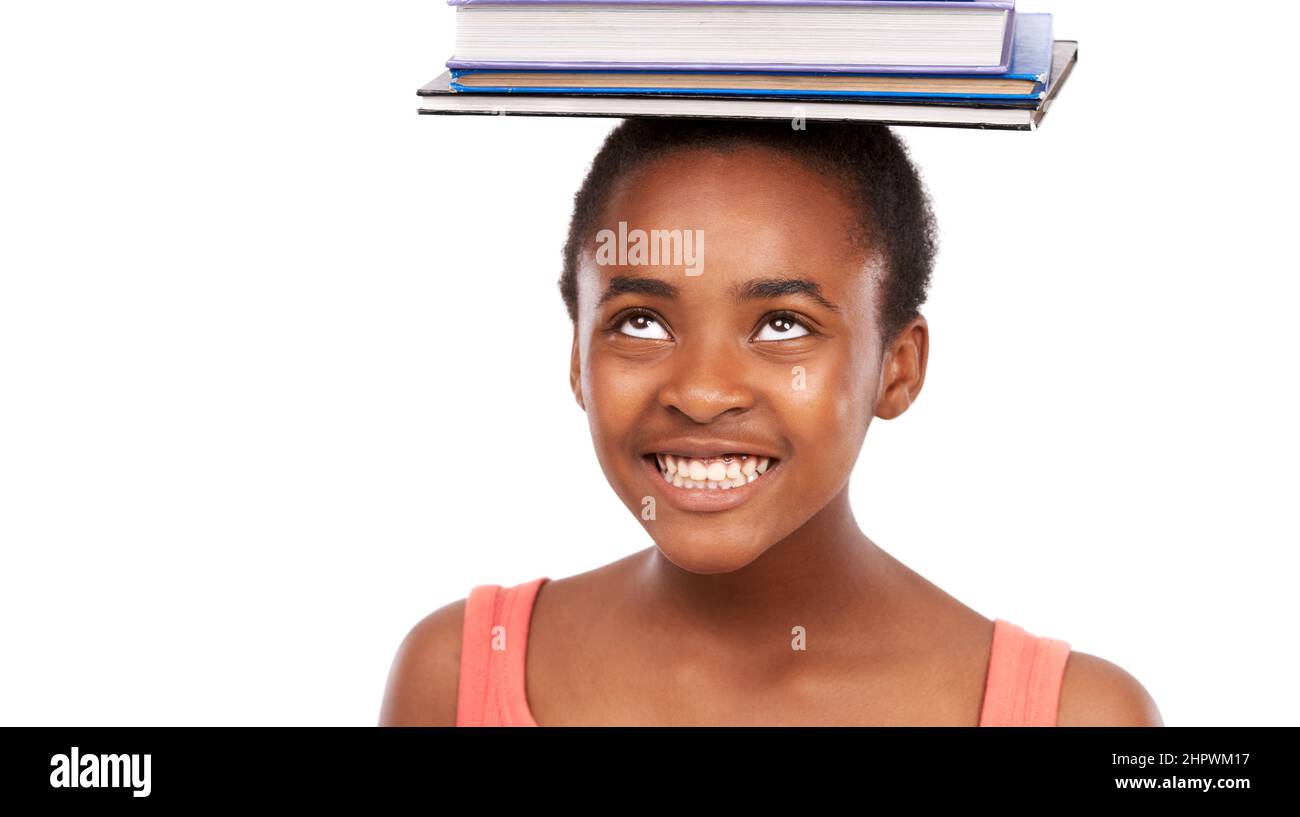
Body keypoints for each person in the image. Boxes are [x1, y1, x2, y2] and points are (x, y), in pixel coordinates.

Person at [379, 118, 1163, 727]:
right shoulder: (453, 676)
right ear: (577, 359)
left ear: (899, 365)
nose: (704, 391)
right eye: (642, 322)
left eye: (783, 324)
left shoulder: (1083, 715)